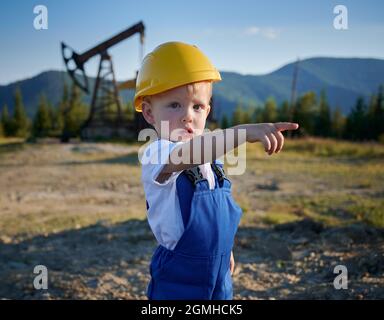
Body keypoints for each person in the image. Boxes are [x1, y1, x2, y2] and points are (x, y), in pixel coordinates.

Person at [135, 42, 299, 300]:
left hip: (219, 269)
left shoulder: (212, 161)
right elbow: (189, 155)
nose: (188, 116)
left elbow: (218, 211)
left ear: (208, 111)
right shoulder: (158, 154)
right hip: (180, 274)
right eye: (174, 105)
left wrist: (226, 249)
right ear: (149, 113)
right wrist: (244, 132)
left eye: (197, 106)